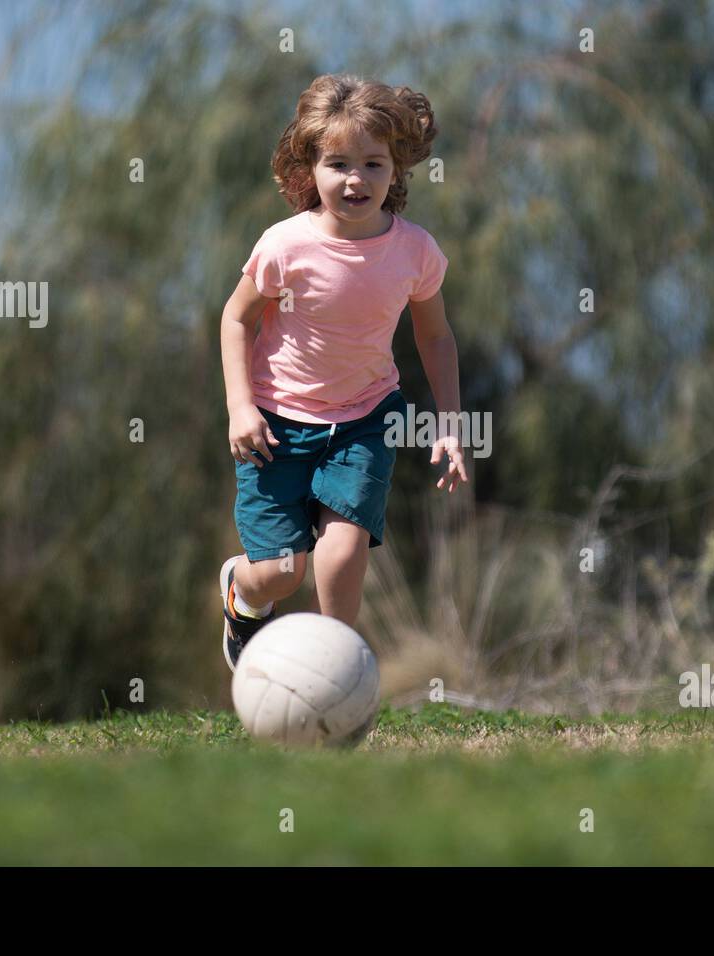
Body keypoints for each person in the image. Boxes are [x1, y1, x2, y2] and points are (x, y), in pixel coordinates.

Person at [218, 73, 469, 671]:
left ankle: (336, 666)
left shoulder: (415, 252)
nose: (356, 179)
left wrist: (451, 423)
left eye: (373, 164)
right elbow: (235, 321)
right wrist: (240, 406)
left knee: (343, 550)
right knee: (281, 573)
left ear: (397, 170)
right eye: (338, 163)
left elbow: (435, 337)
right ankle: (240, 592)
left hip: (365, 417)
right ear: (311, 168)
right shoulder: (284, 246)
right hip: (276, 421)